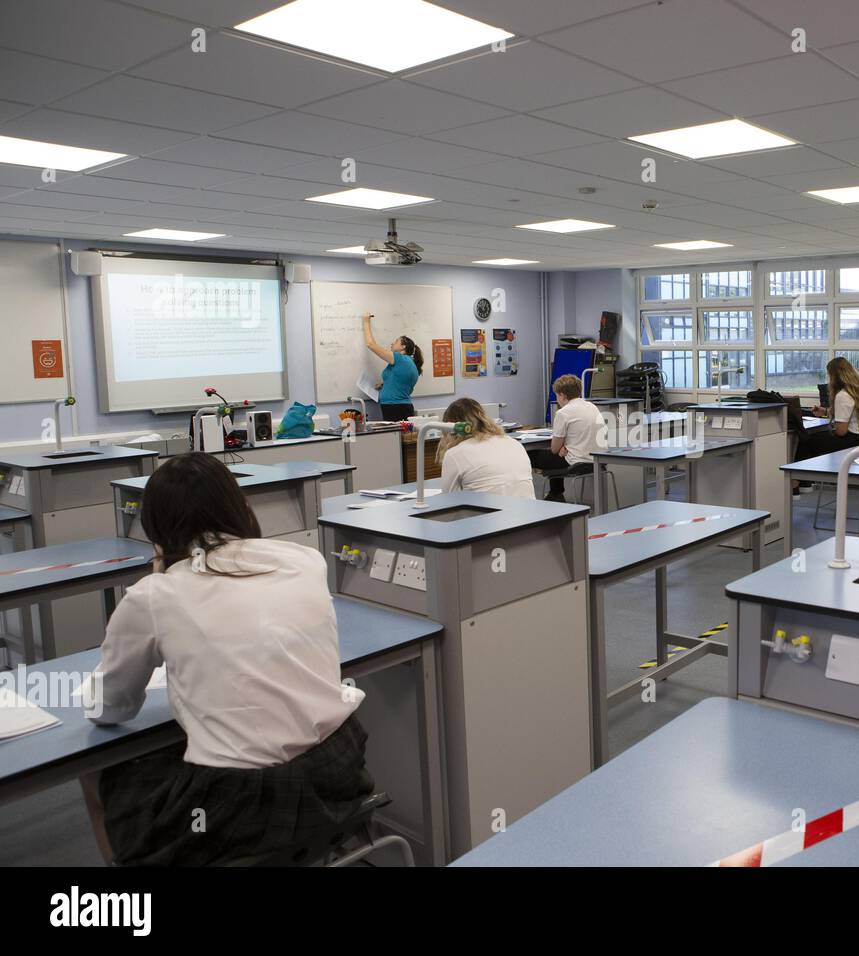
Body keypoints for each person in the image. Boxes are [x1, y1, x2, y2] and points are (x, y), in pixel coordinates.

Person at [81, 453, 371, 866]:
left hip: (237, 806)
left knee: (94, 770)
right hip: (341, 772)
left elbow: (108, 707)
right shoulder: (305, 559)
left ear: (156, 530)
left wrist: (161, 578)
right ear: (242, 506)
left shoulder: (154, 595)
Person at [791, 357, 859, 495]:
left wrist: (833, 425)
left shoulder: (842, 395)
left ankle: (797, 483)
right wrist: (826, 412)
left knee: (806, 440)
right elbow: (852, 416)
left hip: (850, 441)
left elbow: (841, 431)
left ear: (835, 376)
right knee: (816, 440)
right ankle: (805, 481)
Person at [526, 374, 608, 502]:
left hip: (577, 462)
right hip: (598, 460)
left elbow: (554, 449)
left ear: (562, 395)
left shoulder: (563, 413)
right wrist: (563, 447)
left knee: (529, 455)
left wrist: (561, 448)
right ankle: (556, 494)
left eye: (557, 395)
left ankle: (542, 496)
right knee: (556, 457)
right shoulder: (592, 407)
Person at [437, 398, 536, 499]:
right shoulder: (514, 443)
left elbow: (449, 499)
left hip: (491, 509)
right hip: (529, 508)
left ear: (451, 429)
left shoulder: (455, 454)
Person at [363, 312, 422, 421]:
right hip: (395, 407)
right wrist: (384, 385)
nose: (392, 343)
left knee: (396, 433)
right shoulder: (406, 362)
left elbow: (371, 344)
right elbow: (400, 383)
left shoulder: (400, 359)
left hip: (396, 408)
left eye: (396, 342)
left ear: (403, 347)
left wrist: (366, 321)